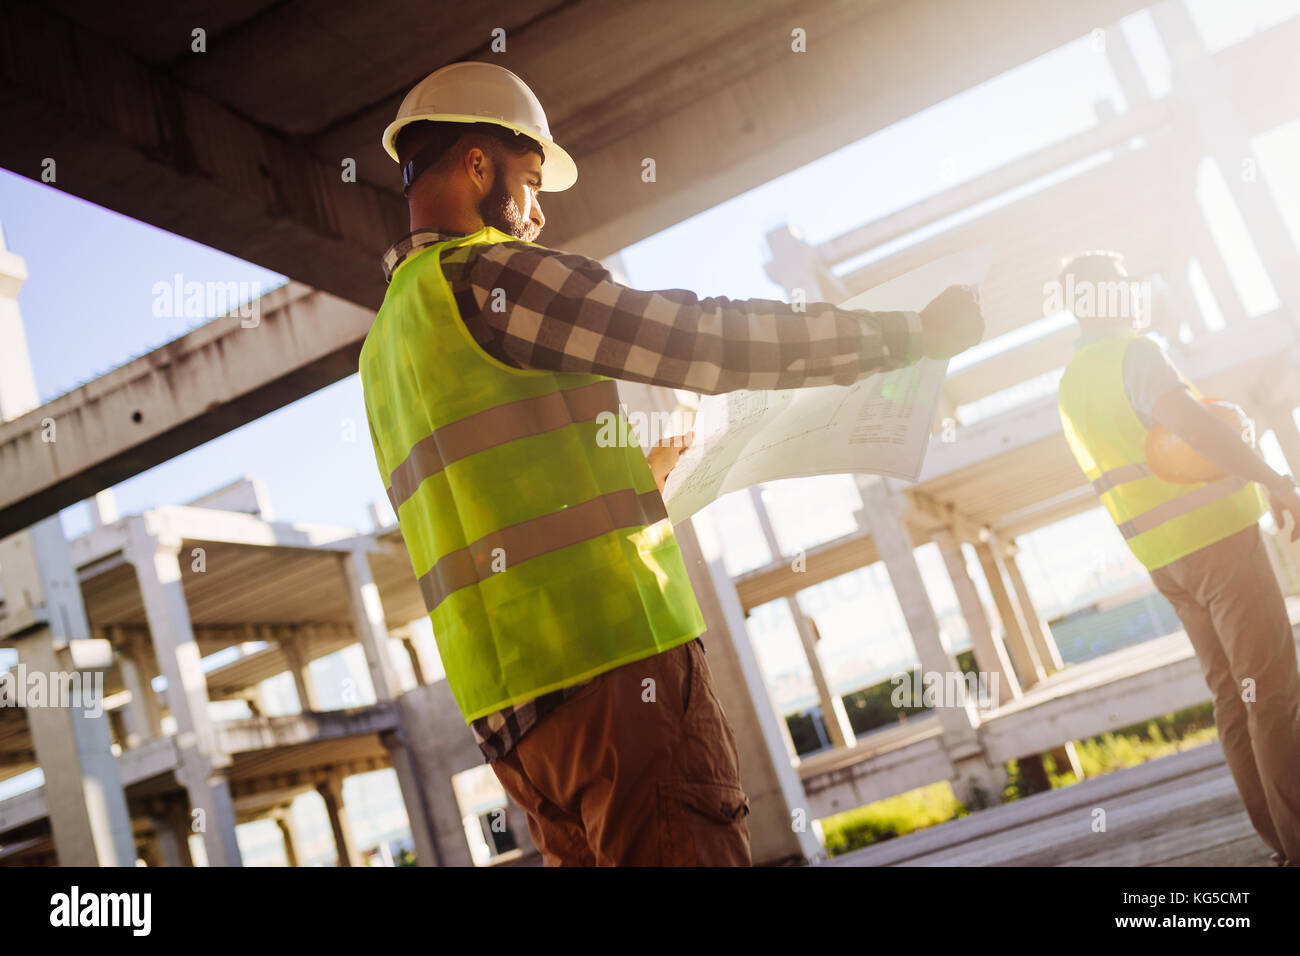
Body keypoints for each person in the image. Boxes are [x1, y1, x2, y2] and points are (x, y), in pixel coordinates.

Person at [359, 61, 984, 866]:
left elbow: (494, 506)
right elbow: (698, 338)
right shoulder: (491, 277)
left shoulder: (383, 352)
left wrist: (640, 478)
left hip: (513, 721)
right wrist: (904, 337)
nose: (539, 213)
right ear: (480, 163)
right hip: (620, 674)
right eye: (532, 179)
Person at [1055, 250, 1300, 866]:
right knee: (1269, 696)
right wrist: (1275, 477)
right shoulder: (1134, 354)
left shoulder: (1070, 385)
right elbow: (1193, 428)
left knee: (1231, 695)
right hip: (1219, 542)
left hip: (1167, 562)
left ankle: (1278, 840)